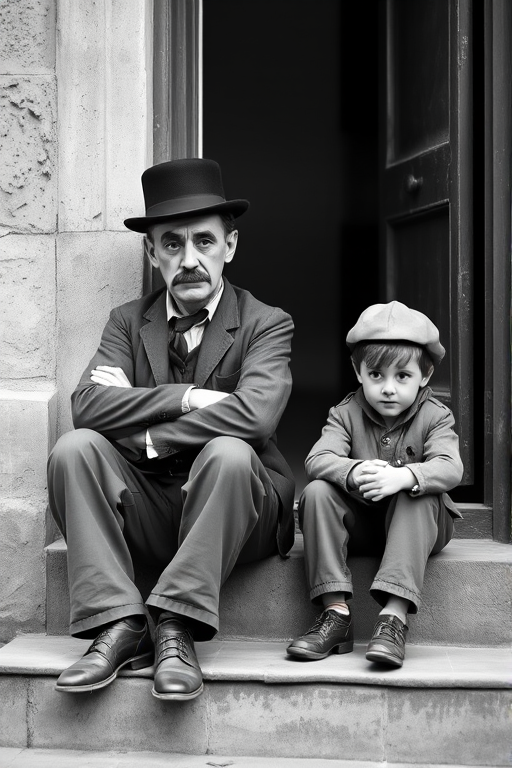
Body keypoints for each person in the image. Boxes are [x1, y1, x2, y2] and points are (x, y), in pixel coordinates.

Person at [48, 158, 295, 700]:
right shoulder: (125, 321)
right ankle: (118, 622)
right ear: (151, 252)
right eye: (173, 244)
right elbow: (88, 407)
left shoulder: (265, 323)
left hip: (236, 509)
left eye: (204, 243)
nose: (190, 260)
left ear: (229, 246)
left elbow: (255, 417)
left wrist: (150, 429)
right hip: (151, 505)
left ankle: (177, 625)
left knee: (229, 453)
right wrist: (183, 397)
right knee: (74, 449)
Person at [287, 301, 463, 668]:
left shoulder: (435, 415)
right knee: (317, 491)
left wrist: (405, 476)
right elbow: (317, 459)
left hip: (420, 527)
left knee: (417, 494)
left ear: (424, 376)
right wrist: (352, 471)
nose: (388, 389)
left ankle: (393, 619)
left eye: (403, 377)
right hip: (365, 525)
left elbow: (450, 468)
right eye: (377, 375)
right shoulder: (345, 413)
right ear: (358, 372)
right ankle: (335, 614)